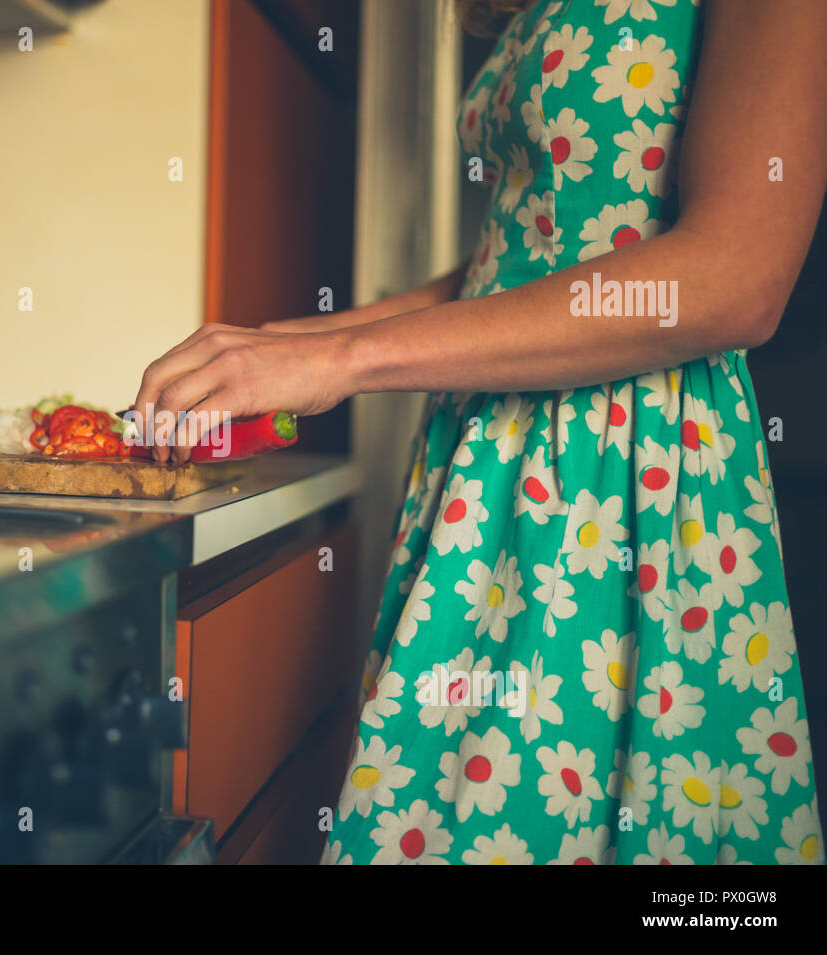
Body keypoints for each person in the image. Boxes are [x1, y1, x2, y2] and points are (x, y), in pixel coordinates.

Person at [129, 0, 825, 864]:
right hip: (488, 475)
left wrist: (345, 359)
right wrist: (285, 345)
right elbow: (519, 260)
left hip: (621, 488)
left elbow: (735, 274)